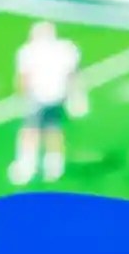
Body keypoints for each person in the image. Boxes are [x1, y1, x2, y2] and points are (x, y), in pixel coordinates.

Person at [11, 21, 84, 186]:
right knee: (54, 130)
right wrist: (75, 96)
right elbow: (72, 74)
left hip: (37, 96)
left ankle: (27, 167)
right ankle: (54, 166)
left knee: (30, 131)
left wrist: (22, 96)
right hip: (58, 95)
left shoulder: (27, 52)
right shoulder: (65, 49)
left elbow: (24, 77)